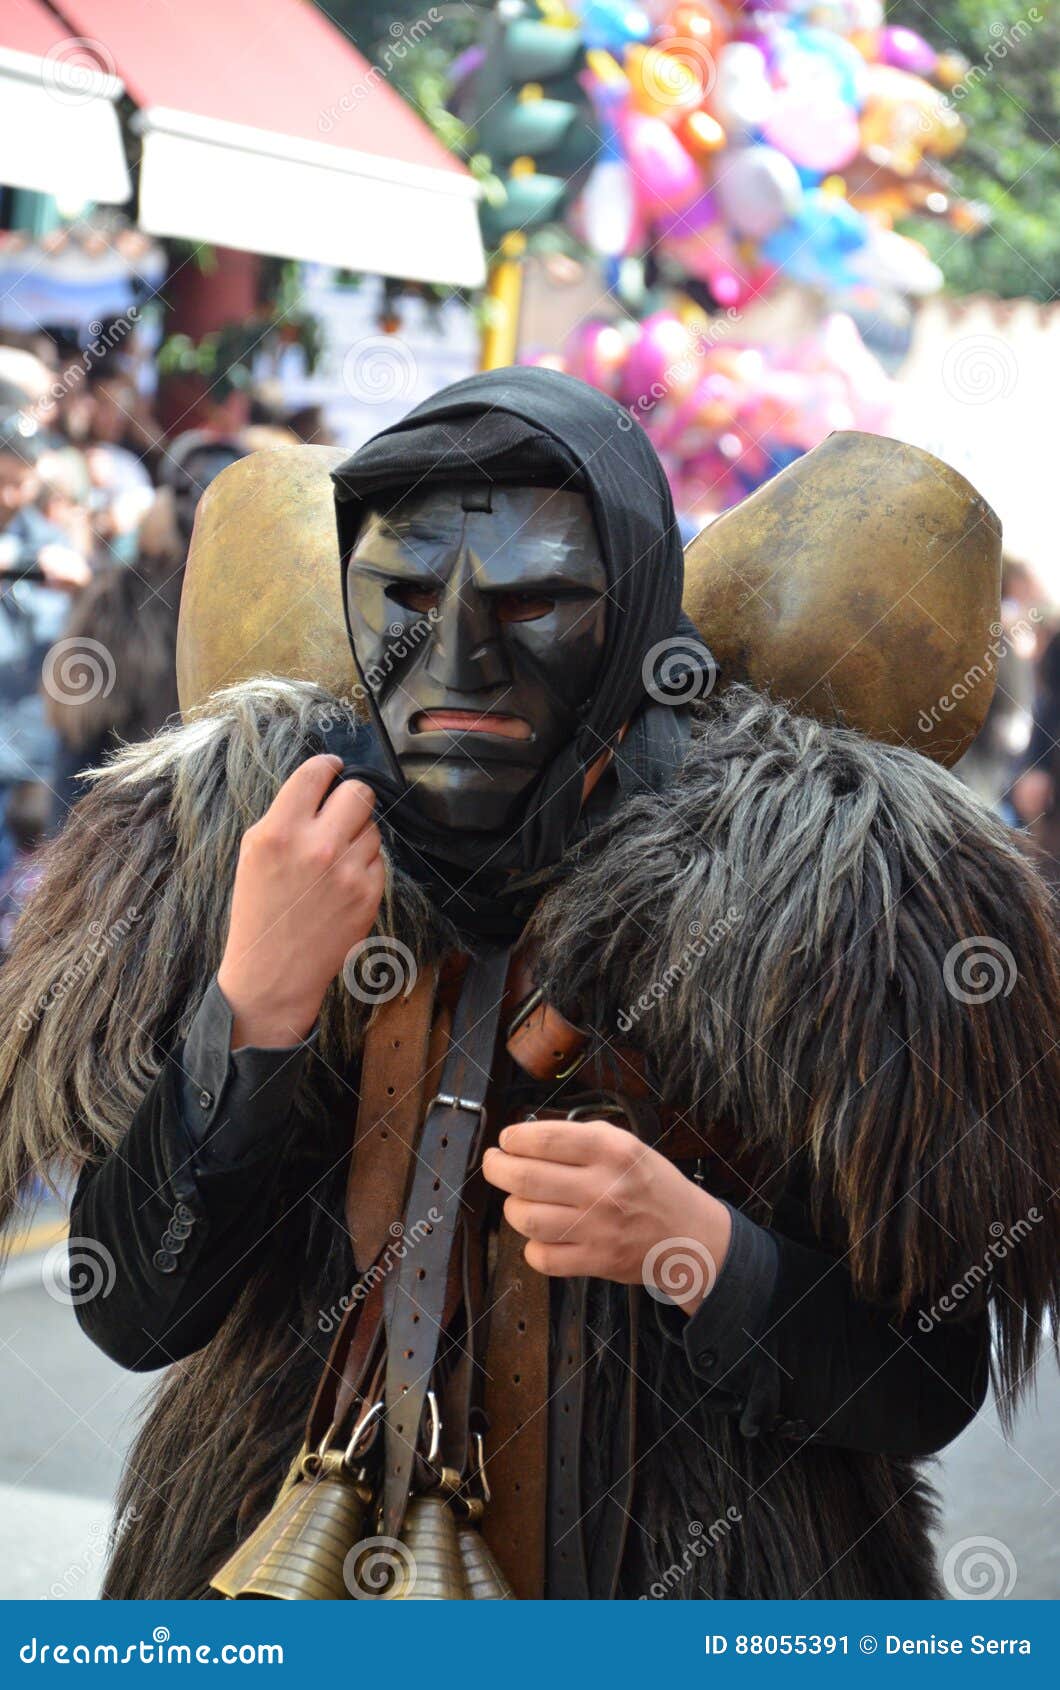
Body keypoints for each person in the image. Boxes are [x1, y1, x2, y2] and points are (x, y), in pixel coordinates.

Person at [0, 370, 1057, 1603]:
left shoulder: (820, 908)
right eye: (402, 596)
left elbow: (924, 1380)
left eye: (537, 599)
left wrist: (701, 1249)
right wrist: (253, 1006)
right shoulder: (240, 849)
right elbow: (132, 1308)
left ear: (636, 615)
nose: (455, 657)